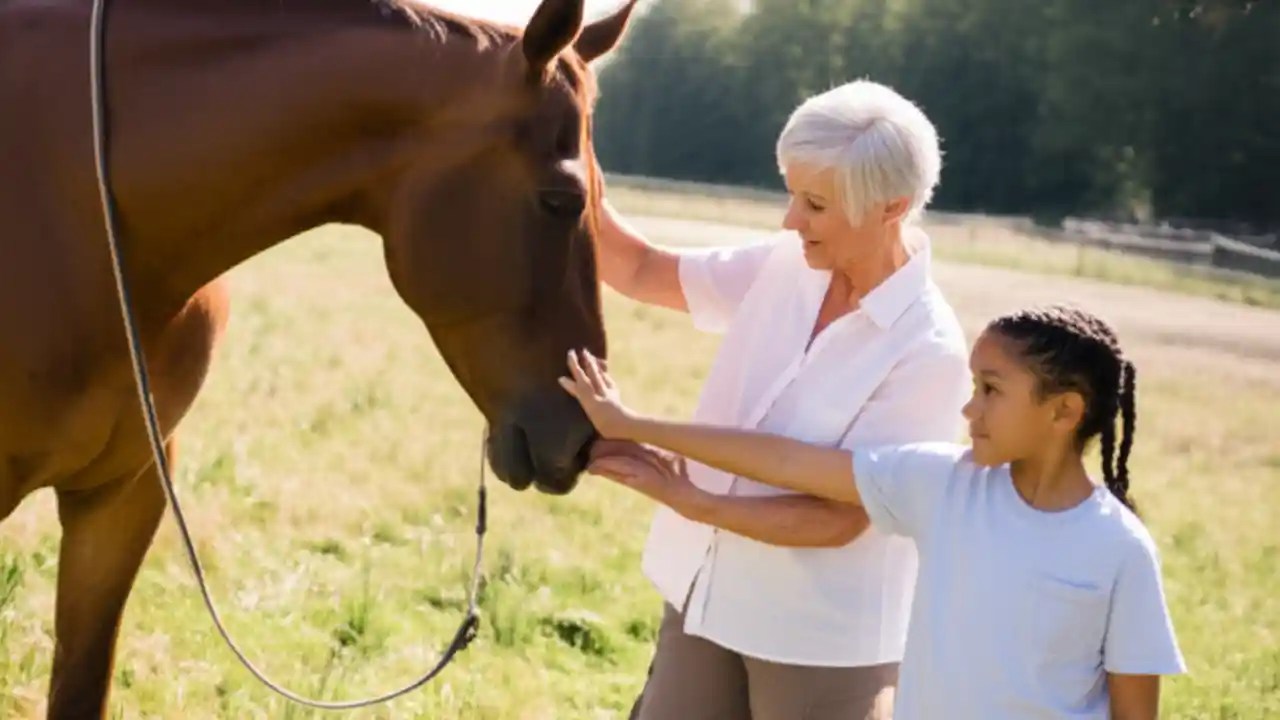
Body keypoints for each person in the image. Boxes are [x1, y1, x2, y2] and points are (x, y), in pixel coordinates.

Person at [561, 303, 1187, 720]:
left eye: (991, 391)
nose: (969, 411)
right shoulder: (943, 486)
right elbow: (789, 462)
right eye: (973, 388)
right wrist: (640, 431)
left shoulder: (1120, 551)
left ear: (1064, 411)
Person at [591, 79, 968, 718]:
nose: (791, 220)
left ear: (890, 207)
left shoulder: (928, 352)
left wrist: (690, 499)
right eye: (791, 195)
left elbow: (836, 519)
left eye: (815, 204)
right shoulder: (786, 263)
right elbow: (640, 270)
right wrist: (562, 136)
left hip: (817, 640)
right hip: (701, 594)